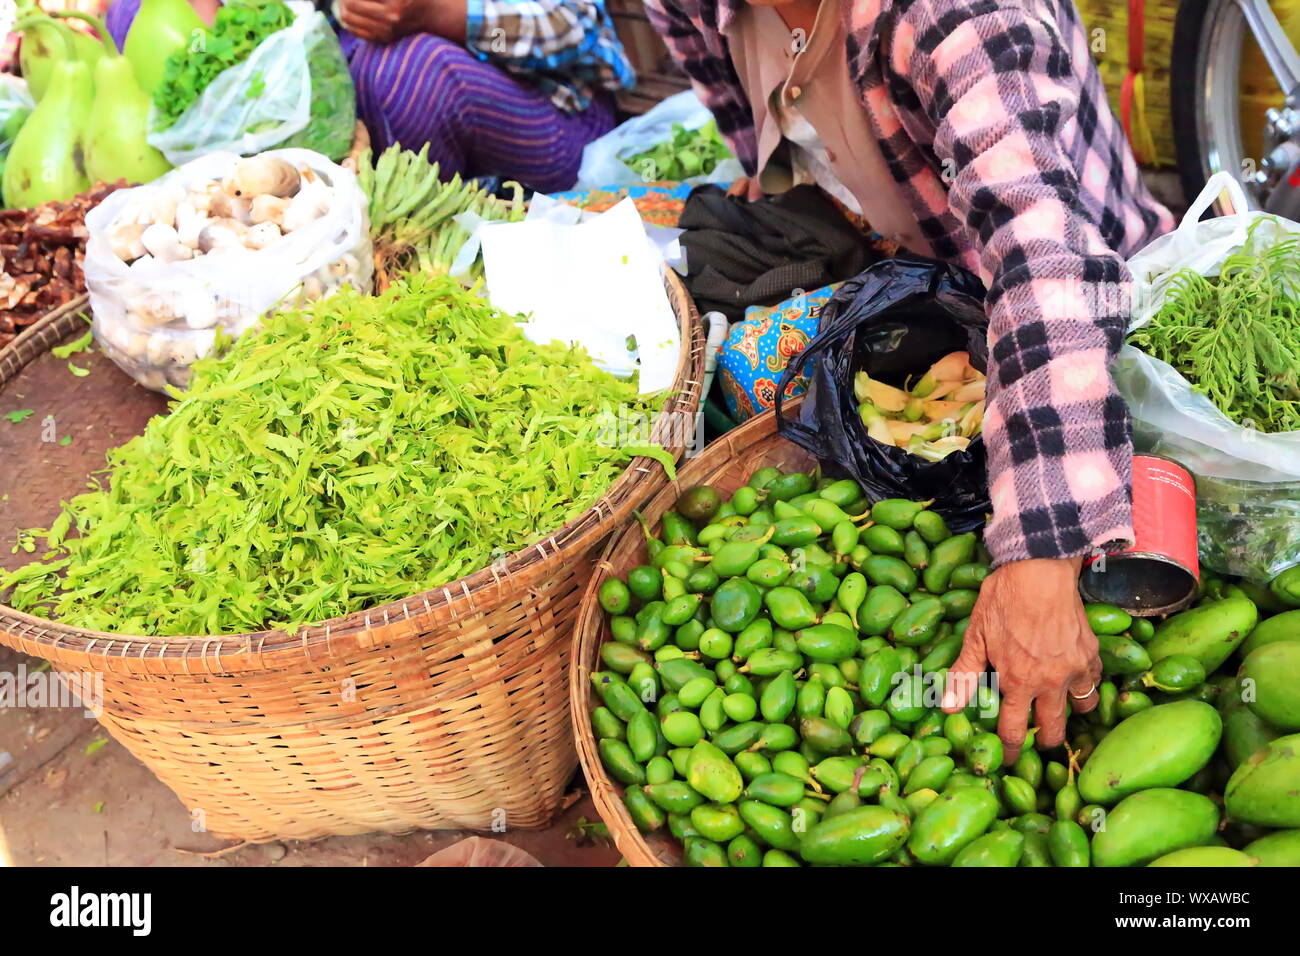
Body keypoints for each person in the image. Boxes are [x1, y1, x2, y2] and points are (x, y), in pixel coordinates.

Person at [645, 0, 1176, 762]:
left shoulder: (951, 16)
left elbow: (1048, 265)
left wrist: (1041, 552)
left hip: (1080, 332)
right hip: (924, 280)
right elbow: (747, 121)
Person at [105, 0, 634, 193]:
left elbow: (578, 31)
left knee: (408, 70)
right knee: (139, 10)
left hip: (547, 119)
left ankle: (420, 257)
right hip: (374, 116)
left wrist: (440, 14)